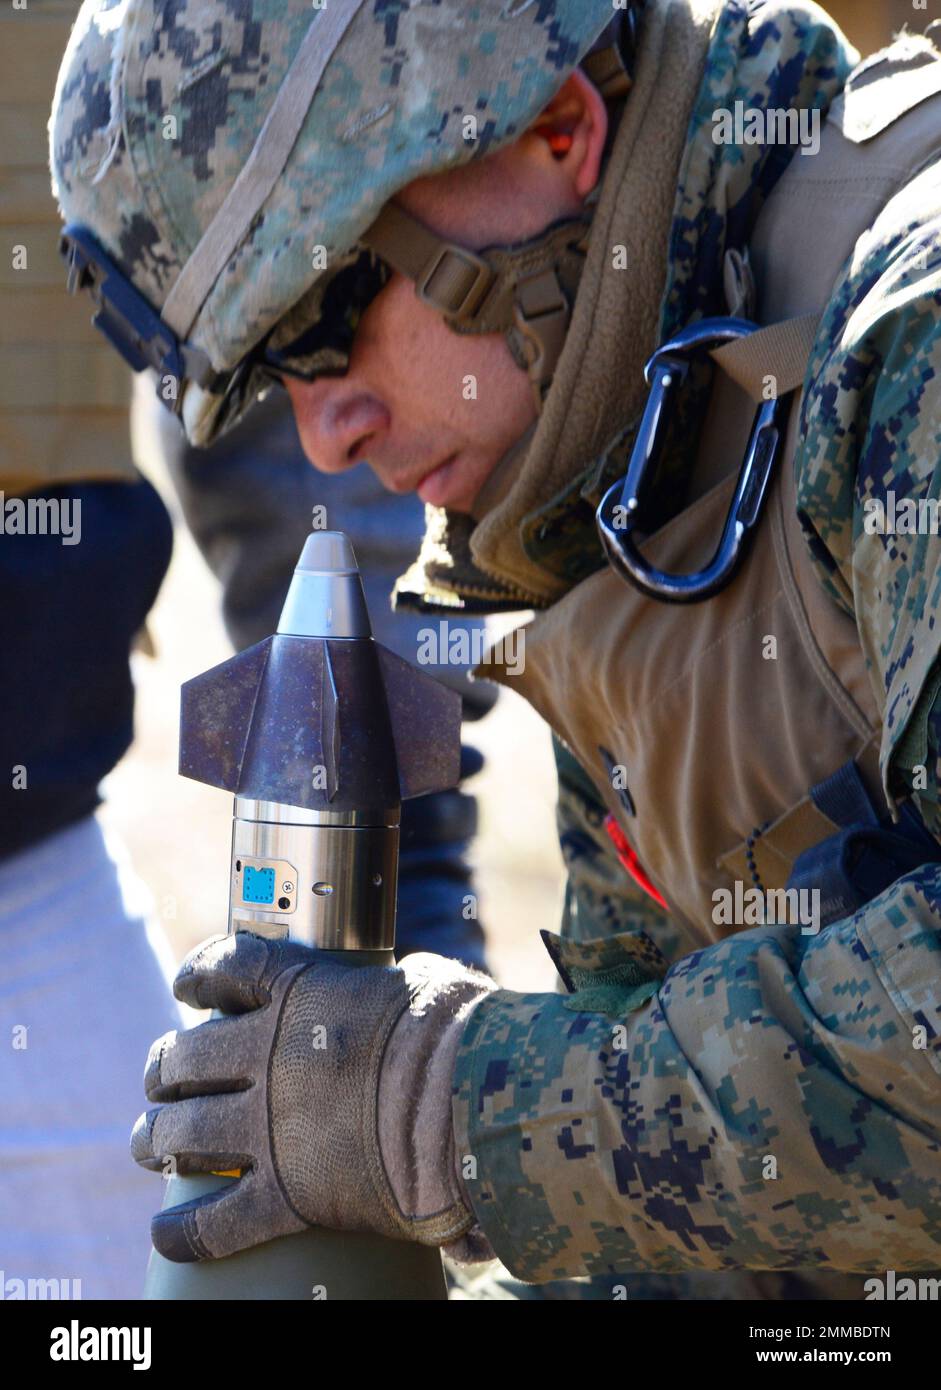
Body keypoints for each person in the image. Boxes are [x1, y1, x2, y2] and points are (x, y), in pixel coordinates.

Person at [50, 0, 941, 1296]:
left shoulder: (907, 338)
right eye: (268, 374)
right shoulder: (630, 443)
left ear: (558, 130)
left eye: (321, 320)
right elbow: (715, 1240)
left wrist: (445, 1111)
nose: (324, 435)